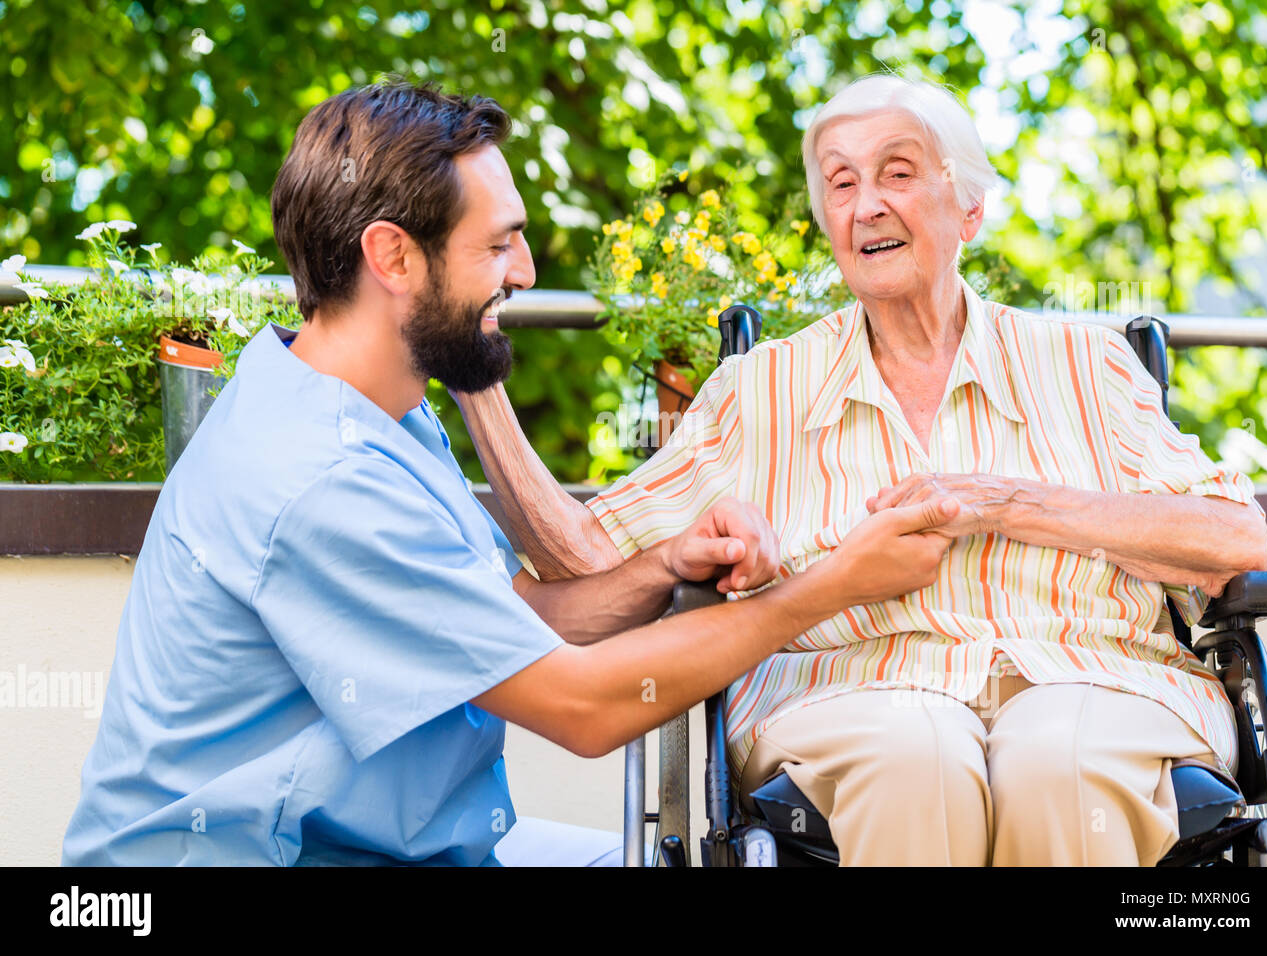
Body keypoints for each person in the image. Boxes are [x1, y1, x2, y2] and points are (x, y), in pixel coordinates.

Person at [62, 78, 963, 867]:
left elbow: (515, 619)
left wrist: (663, 567)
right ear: (393, 257)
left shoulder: (382, 408)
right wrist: (833, 586)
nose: (525, 272)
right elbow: (581, 708)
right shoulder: (317, 476)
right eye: (498, 245)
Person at [453, 74, 1267, 866]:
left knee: (1059, 764)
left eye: (899, 172)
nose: (866, 204)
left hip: (1099, 680)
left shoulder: (1085, 366)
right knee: (916, 761)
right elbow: (586, 559)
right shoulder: (764, 389)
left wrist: (1004, 500)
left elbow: (1235, 540)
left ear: (972, 208)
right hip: (851, 695)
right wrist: (474, 376)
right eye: (840, 184)